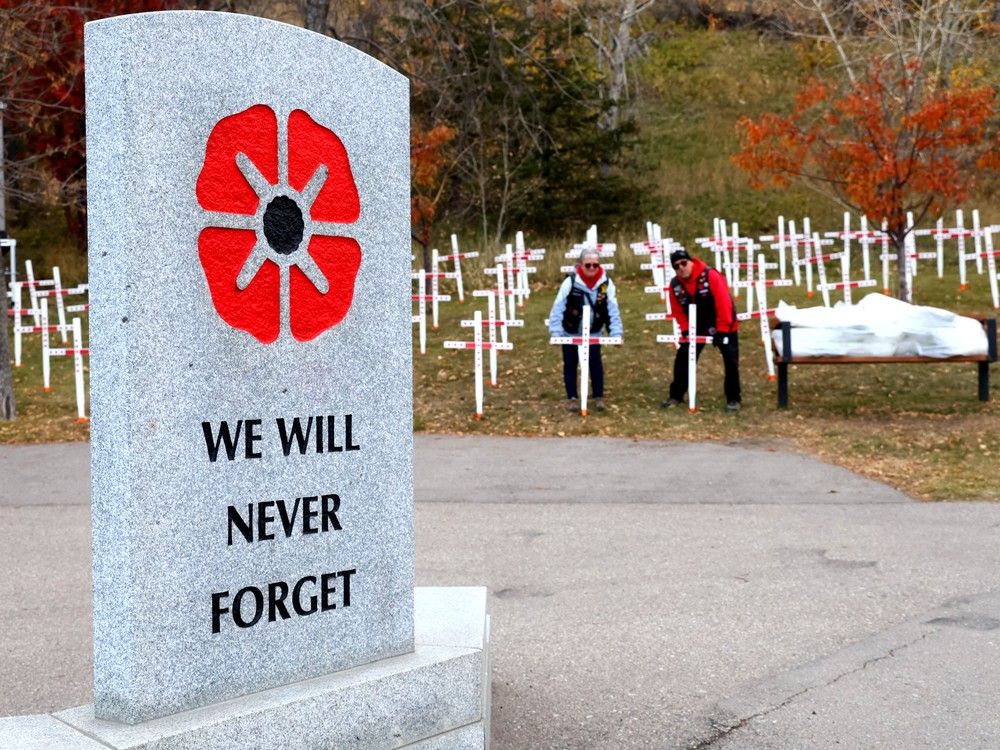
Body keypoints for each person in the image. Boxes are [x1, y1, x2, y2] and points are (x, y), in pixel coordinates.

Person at [662, 248, 742, 412]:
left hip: (722, 322)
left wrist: (722, 330)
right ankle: (676, 395)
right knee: (683, 358)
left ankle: (733, 398)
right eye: (676, 266)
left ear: (691, 262)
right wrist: (685, 329)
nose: (681, 268)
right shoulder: (675, 285)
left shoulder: (710, 275)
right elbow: (677, 309)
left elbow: (723, 302)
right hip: (695, 325)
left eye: (684, 263)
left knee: (730, 359)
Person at [548, 251, 624, 412]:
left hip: (594, 332)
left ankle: (598, 396)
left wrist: (616, 334)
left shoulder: (606, 284)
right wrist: (556, 333)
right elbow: (558, 307)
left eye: (595, 265)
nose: (591, 268)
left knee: (595, 364)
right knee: (570, 364)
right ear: (581, 265)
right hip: (571, 331)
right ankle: (572, 398)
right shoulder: (570, 282)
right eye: (588, 265)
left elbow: (613, 310)